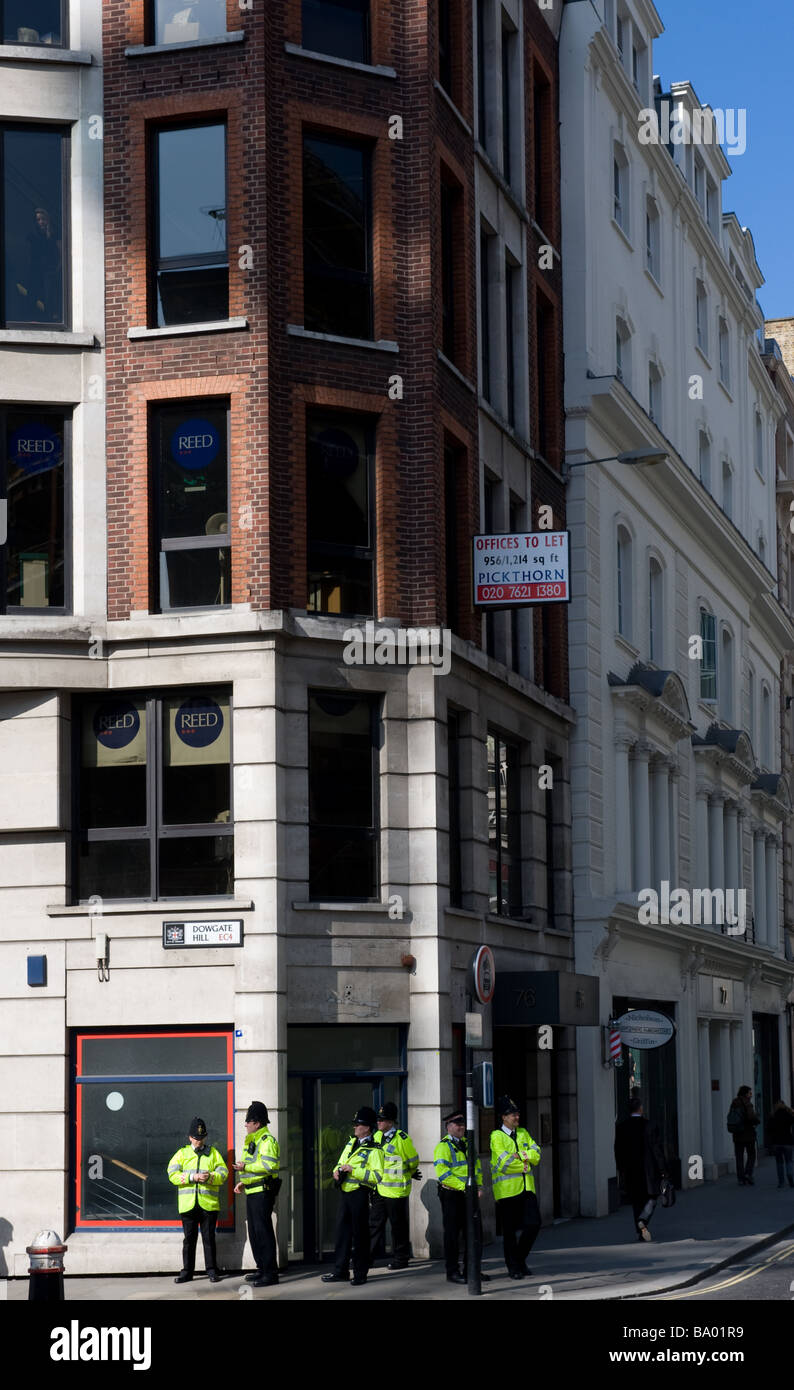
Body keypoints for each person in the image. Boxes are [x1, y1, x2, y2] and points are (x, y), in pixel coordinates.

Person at [321, 1106, 384, 1287]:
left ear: (368, 1127)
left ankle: (360, 1273)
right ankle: (340, 1271)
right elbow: (341, 1162)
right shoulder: (351, 1143)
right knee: (342, 1234)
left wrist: (353, 1170)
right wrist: (336, 1171)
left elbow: (377, 1176)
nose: (355, 1127)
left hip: (360, 1193)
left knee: (361, 1235)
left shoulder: (375, 1149)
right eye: (355, 1124)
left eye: (359, 1124)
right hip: (345, 1193)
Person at [167, 1116, 228, 1283]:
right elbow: (171, 1174)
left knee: (209, 1239)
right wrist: (192, 1177)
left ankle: (212, 1270)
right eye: (195, 1138)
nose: (199, 1141)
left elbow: (224, 1174)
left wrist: (209, 1177)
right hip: (188, 1205)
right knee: (189, 1240)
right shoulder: (182, 1153)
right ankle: (187, 1272)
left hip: (208, 1204)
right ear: (189, 1137)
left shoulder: (213, 1154)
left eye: (201, 1138)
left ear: (205, 1137)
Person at [433, 1109, 489, 1284]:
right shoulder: (443, 1147)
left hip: (469, 1194)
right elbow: (443, 1175)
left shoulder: (468, 1144)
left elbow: (477, 1168)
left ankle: (472, 1270)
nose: (461, 1127)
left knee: (475, 1234)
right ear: (448, 1127)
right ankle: (453, 1272)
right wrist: (466, 1188)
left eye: (463, 1124)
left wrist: (478, 1186)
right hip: (452, 1195)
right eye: (457, 1125)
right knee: (452, 1235)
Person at [490, 1096, 542, 1277]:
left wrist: (519, 1156)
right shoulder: (496, 1136)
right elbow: (504, 1163)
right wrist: (526, 1162)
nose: (517, 1117)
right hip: (507, 1192)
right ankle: (513, 1267)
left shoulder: (523, 1133)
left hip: (527, 1188)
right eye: (513, 1114)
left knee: (534, 1224)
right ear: (503, 1117)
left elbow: (537, 1154)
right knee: (510, 1232)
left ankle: (519, 1259)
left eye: (517, 1113)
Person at [232, 1101, 281, 1287]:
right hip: (253, 1191)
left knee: (264, 1233)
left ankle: (270, 1273)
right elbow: (254, 1169)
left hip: (262, 1193)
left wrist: (246, 1167)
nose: (245, 1124)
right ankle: (262, 1269)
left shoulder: (267, 1141)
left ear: (257, 1123)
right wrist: (243, 1182)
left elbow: (270, 1166)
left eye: (248, 1121)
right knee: (254, 1233)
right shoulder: (253, 1140)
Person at [369, 1101, 420, 1270]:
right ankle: (366, 1259)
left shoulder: (402, 1139)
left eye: (382, 1120)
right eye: (378, 1120)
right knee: (375, 1225)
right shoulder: (376, 1137)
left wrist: (409, 1171)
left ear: (391, 1122)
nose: (378, 1122)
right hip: (380, 1189)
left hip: (397, 1191)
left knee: (398, 1228)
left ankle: (401, 1259)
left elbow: (413, 1161)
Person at [614, 1098, 667, 1241]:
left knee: (636, 1200)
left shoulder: (621, 1127)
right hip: (649, 1170)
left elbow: (618, 1150)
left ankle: (640, 1231)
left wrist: (620, 1169)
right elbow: (657, 1150)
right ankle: (643, 1220)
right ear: (640, 1109)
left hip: (631, 1170)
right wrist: (663, 1169)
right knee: (652, 1197)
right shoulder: (650, 1125)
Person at [727, 1085, 760, 1186]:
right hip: (748, 1134)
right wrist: (757, 1120)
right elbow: (751, 1117)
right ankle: (748, 1173)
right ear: (746, 1093)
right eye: (750, 1093)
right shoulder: (747, 1103)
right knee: (752, 1155)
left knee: (739, 1157)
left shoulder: (734, 1102)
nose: (751, 1095)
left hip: (737, 1134)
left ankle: (740, 1179)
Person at [768, 1101, 794, 1189]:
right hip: (788, 1141)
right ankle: (790, 1175)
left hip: (776, 1142)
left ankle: (781, 1182)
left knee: (779, 1162)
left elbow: (768, 1129)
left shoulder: (773, 1116)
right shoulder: (788, 1115)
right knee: (789, 1161)